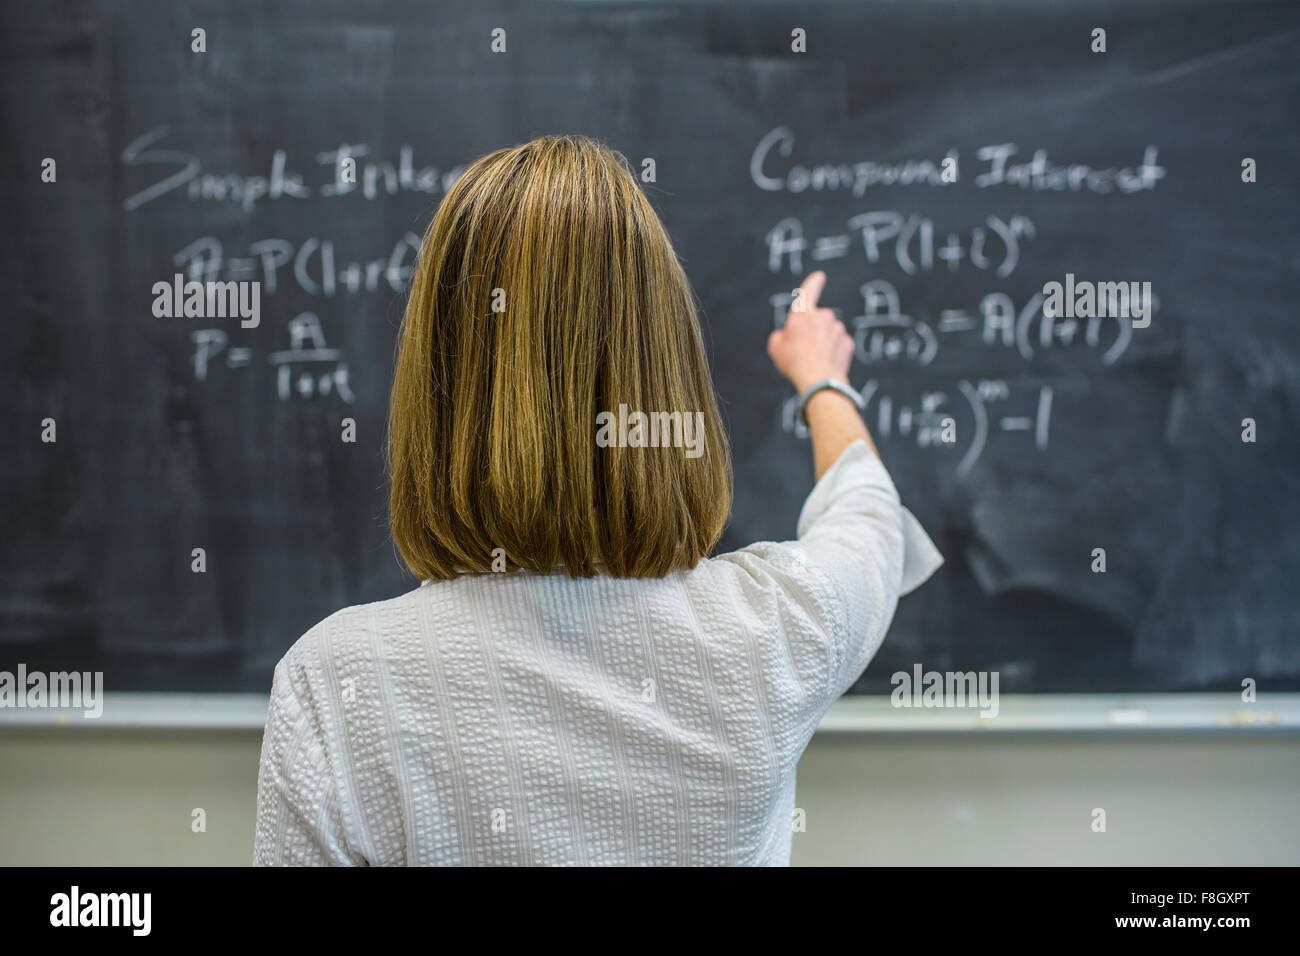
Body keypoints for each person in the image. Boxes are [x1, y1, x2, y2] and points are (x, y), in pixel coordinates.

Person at [254, 135, 942, 866]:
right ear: (666, 364)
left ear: (436, 378)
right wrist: (819, 376)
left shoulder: (338, 682)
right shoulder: (777, 632)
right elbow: (866, 516)